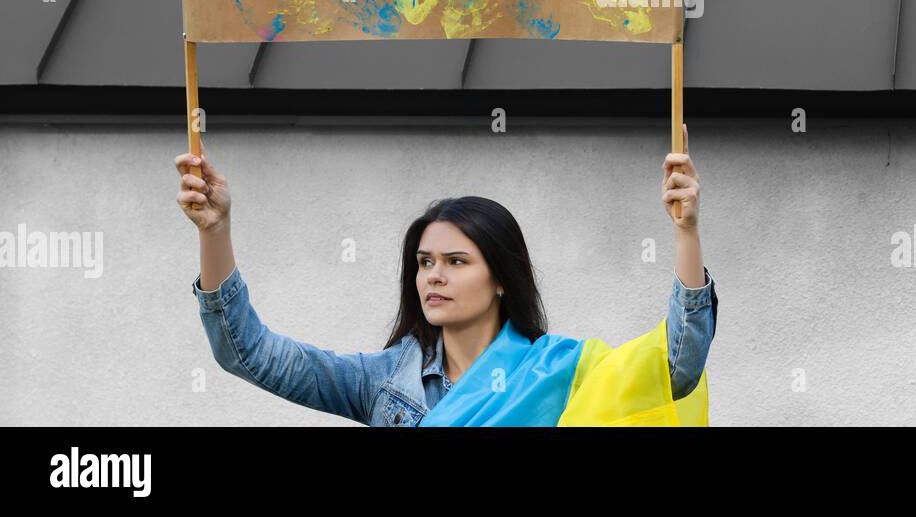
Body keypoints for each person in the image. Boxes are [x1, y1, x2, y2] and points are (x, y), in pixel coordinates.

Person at [175, 124, 717, 426]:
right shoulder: (382, 382)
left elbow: (676, 368)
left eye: (457, 263)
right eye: (425, 262)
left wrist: (686, 232)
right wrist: (214, 231)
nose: (434, 276)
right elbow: (246, 352)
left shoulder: (558, 369)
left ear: (501, 278)